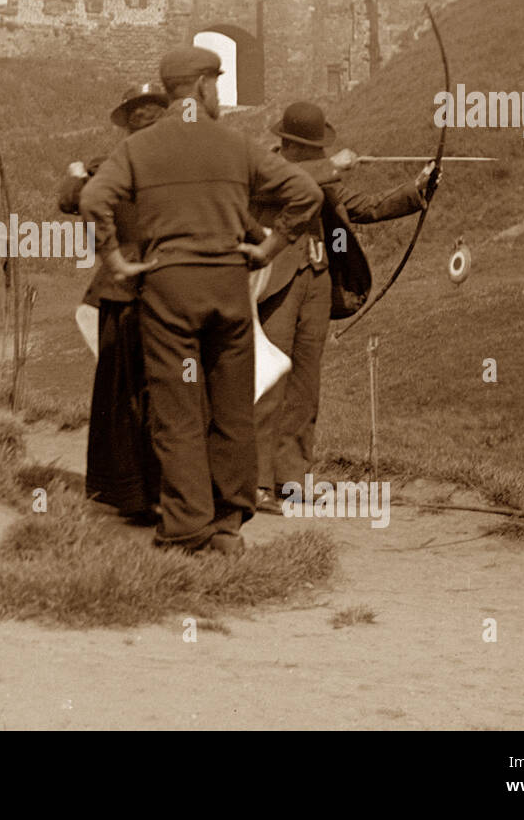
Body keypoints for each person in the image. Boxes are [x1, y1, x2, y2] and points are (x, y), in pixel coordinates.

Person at [80, 48, 323, 554]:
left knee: (177, 410)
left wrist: (117, 261)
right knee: (232, 408)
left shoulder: (139, 149)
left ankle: (187, 527)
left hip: (169, 289)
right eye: (217, 83)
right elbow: (306, 193)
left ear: (172, 90)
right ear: (204, 87)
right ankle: (228, 525)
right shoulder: (237, 145)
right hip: (229, 287)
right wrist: (270, 247)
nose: (218, 93)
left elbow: (92, 199)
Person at [250, 101, 440, 503]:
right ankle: (255, 482)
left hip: (317, 282)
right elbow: (280, 184)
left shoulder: (321, 173)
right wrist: (333, 165)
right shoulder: (266, 167)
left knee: (305, 384)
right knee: (270, 379)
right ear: (287, 142)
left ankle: (292, 478)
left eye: (318, 147)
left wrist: (417, 189)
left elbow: (365, 207)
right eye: (308, 146)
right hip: (276, 284)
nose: (315, 152)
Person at [59, 81, 169, 524]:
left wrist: (77, 170)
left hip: (121, 286)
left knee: (120, 388)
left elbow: (69, 200)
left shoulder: (112, 164)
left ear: (127, 121)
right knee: (169, 387)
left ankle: (124, 488)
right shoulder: (178, 162)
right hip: (171, 283)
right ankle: (170, 486)